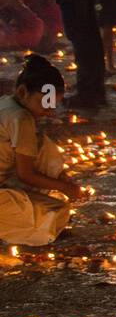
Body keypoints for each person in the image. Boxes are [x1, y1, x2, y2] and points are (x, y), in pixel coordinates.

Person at [0, 54, 85, 245]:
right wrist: (66, 187)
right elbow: (26, 174)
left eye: (52, 104)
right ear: (23, 92)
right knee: (54, 214)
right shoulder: (21, 119)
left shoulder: (5, 103)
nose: (49, 111)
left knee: (41, 145)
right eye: (44, 103)